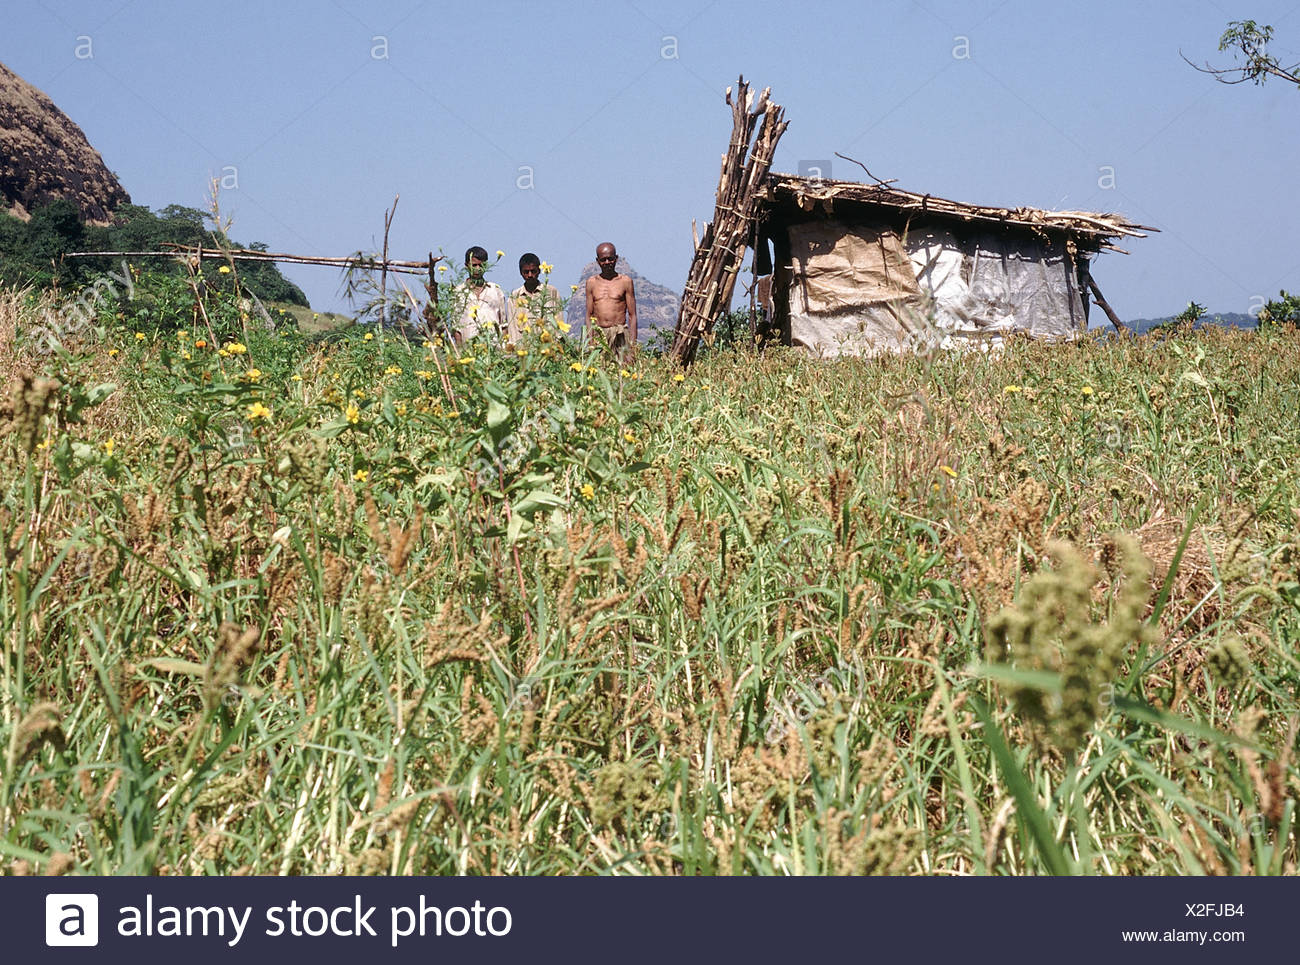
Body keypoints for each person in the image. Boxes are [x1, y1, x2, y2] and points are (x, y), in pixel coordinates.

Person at [584, 242, 637, 364]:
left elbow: (632, 315)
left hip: (620, 335)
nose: (607, 262)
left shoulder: (625, 282)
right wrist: (591, 342)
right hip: (600, 335)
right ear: (598, 261)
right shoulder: (591, 283)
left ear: (616, 258)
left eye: (610, 258)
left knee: (624, 372)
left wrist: (632, 346)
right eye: (603, 260)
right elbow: (589, 315)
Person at [450, 246, 508, 345]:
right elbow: (456, 328)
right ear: (466, 266)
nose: (478, 269)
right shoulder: (458, 293)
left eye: (481, 265)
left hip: (493, 351)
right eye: (474, 265)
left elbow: (504, 325)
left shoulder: (496, 291)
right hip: (469, 351)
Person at [508, 253, 564, 343]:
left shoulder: (551, 292)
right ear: (520, 272)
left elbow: (559, 323)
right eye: (526, 272)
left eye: (533, 271)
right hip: (525, 350)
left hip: (548, 348)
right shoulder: (514, 297)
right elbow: (513, 331)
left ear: (539, 271)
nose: (530, 275)